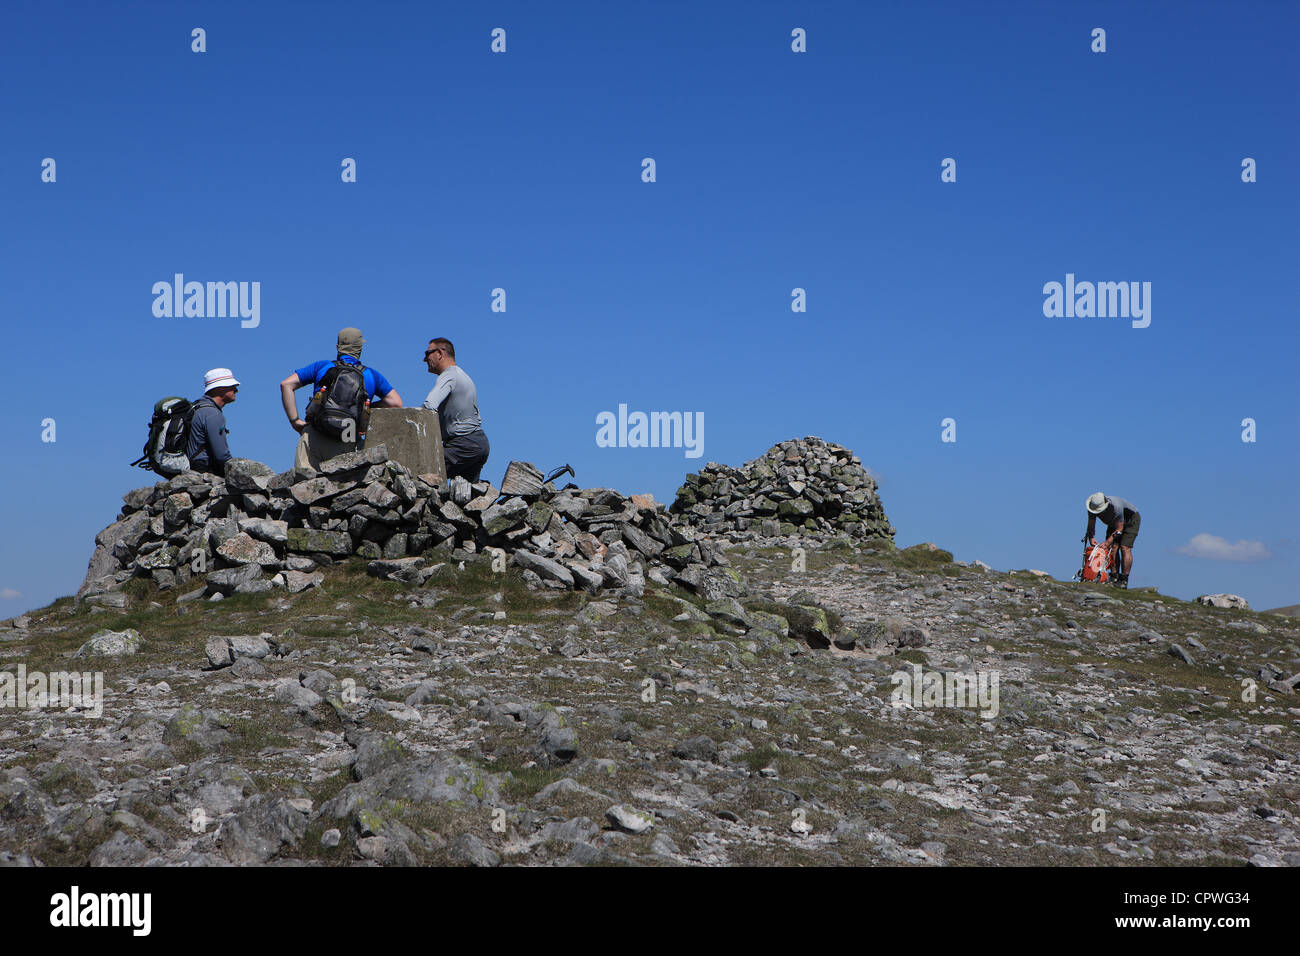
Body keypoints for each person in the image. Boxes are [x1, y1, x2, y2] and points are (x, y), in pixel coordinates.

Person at [280, 327, 402, 471]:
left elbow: (286, 384)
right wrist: (363, 408)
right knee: (341, 489)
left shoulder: (322, 366)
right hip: (347, 438)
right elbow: (395, 403)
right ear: (360, 348)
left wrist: (295, 422)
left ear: (338, 347)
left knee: (304, 489)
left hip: (315, 435)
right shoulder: (371, 375)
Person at [423, 337, 490, 481]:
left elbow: (429, 405)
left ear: (440, 353)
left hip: (463, 444)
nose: (425, 359)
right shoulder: (461, 375)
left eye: (428, 353)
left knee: (423, 469)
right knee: (464, 495)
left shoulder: (450, 375)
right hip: (477, 443)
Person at [188, 368, 239, 476]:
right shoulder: (212, 414)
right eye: (232, 387)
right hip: (204, 471)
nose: (236, 390)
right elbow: (222, 456)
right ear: (220, 389)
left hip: (190, 468)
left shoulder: (197, 408)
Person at [1085, 492, 1141, 589]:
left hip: (1130, 519)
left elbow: (1119, 529)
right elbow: (1091, 525)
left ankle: (1124, 579)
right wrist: (1091, 537)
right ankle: (1114, 576)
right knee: (1112, 547)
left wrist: (1106, 542)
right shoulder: (1092, 508)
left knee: (1124, 547)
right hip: (1113, 522)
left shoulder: (1116, 507)